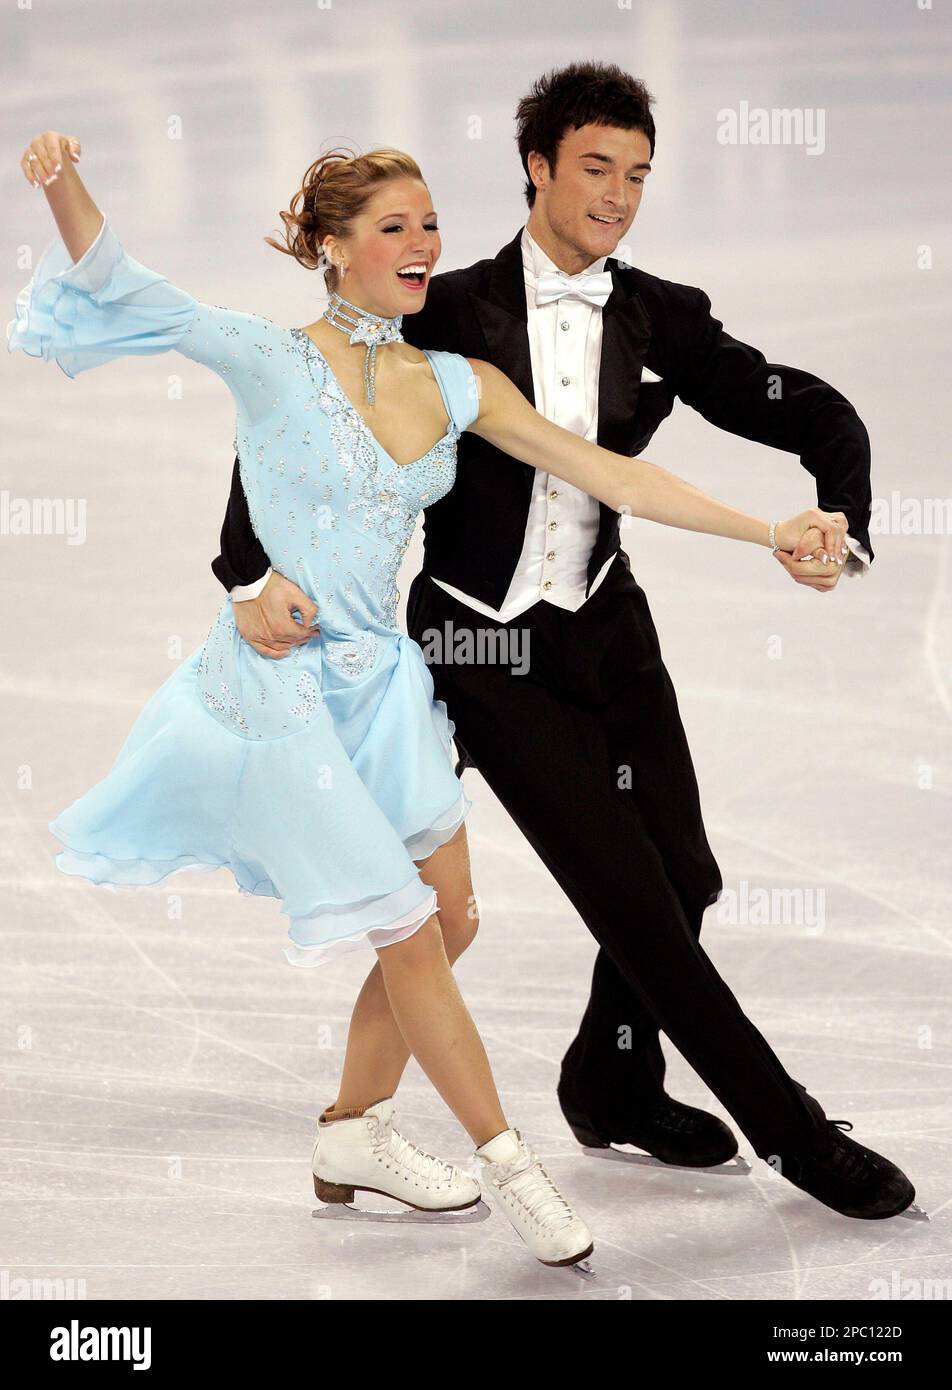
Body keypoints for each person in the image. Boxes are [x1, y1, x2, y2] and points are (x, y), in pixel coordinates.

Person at [5, 124, 849, 1269]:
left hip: (386, 685)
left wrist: (768, 529)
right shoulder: (269, 356)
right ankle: (510, 1163)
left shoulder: (456, 382)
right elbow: (126, 282)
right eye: (392, 228)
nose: (421, 245)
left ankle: (352, 1130)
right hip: (280, 685)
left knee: (451, 919)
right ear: (333, 249)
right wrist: (67, 182)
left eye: (429, 225)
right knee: (405, 924)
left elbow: (614, 474)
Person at [210, 63, 917, 1222]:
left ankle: (612, 1081)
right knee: (634, 903)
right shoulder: (446, 306)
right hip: (482, 653)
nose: (618, 194)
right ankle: (791, 1133)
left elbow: (807, 409)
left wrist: (839, 519)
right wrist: (249, 567)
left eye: (638, 174)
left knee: (684, 871)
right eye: (595, 167)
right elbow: (296, 424)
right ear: (536, 166)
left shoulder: (658, 315)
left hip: (606, 627)